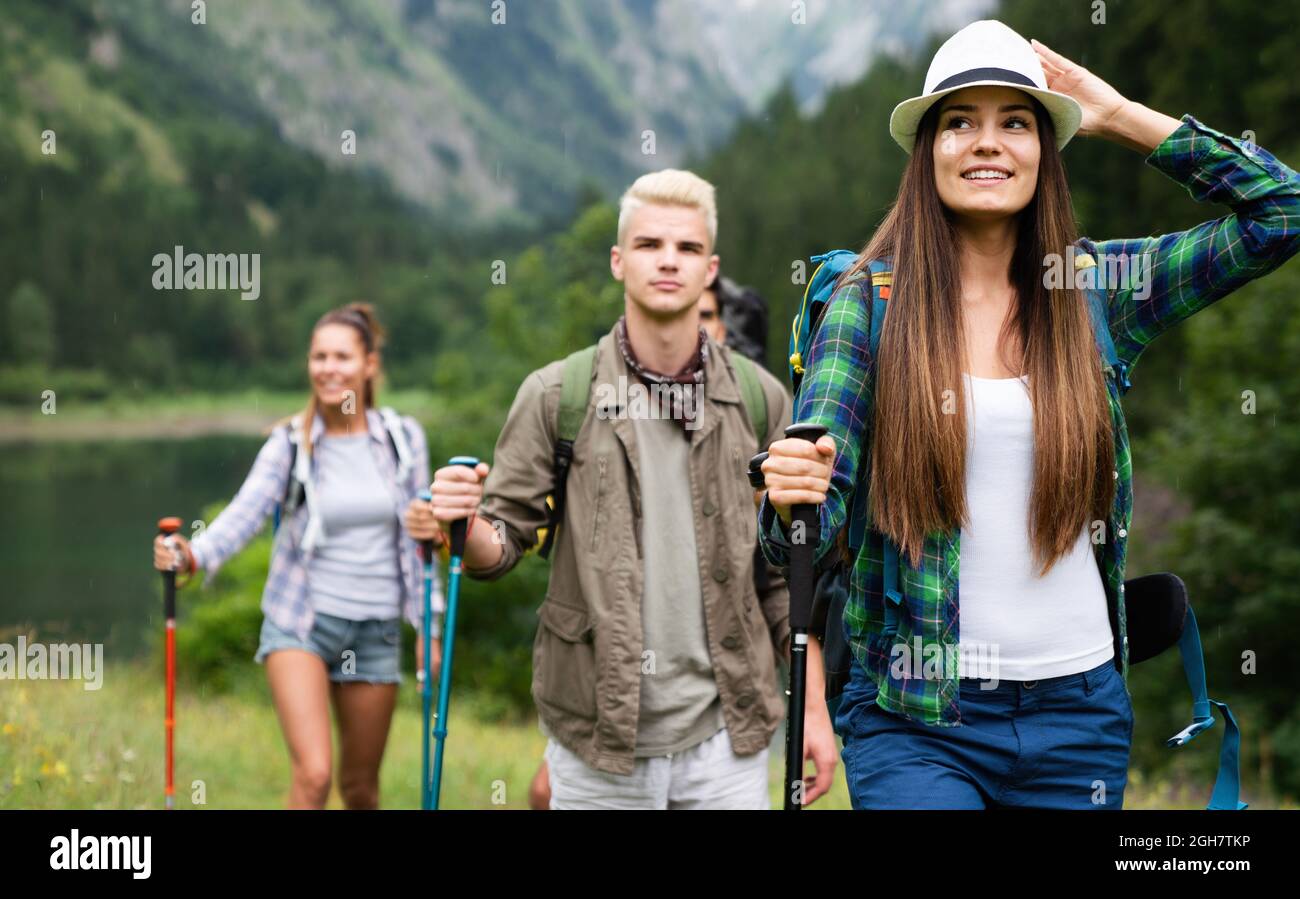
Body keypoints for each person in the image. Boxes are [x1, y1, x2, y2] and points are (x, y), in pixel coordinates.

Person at [759, 19, 1300, 809]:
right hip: (918, 718)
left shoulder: (1094, 290)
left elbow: (1281, 212)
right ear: (928, 152)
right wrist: (789, 494)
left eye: (1015, 121)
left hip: (1078, 716)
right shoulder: (865, 303)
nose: (987, 142)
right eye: (960, 122)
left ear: (1046, 149)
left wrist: (1119, 116)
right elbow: (800, 529)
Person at [431, 169, 838, 809]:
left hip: (727, 739)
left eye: (686, 248)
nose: (668, 261)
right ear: (619, 261)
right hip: (596, 738)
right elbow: (500, 546)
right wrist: (455, 527)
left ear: (711, 268)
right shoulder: (556, 396)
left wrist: (813, 709)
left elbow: (787, 574)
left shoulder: (761, 399)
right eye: (649, 245)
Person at [153, 302, 444, 809]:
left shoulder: (402, 439)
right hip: (302, 622)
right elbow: (243, 515)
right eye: (318, 357)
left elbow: (421, 543)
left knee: (360, 789)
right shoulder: (292, 443)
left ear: (370, 364)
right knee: (314, 777)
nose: (328, 368)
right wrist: (192, 555)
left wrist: (429, 627)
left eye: (341, 357)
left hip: (376, 629)